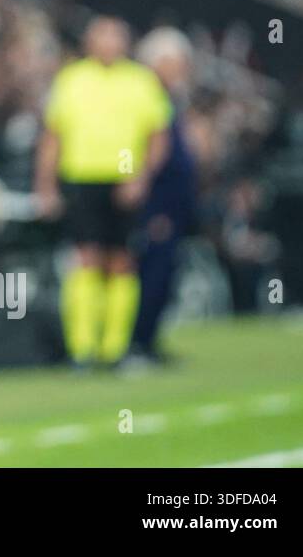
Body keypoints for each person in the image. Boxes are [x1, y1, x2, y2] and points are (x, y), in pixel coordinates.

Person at [34, 17, 171, 367]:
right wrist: (46, 184)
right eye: (102, 36)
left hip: (123, 178)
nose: (108, 43)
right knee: (85, 258)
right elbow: (53, 136)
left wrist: (140, 177)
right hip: (82, 177)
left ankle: (115, 349)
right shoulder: (71, 79)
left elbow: (157, 137)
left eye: (114, 36)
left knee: (122, 261)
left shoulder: (141, 81)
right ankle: (81, 349)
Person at [128, 28, 198, 366]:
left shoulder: (167, 96)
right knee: (151, 270)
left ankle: (148, 339)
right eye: (176, 62)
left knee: (165, 271)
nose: (182, 69)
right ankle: (136, 341)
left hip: (173, 199)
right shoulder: (144, 93)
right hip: (156, 200)